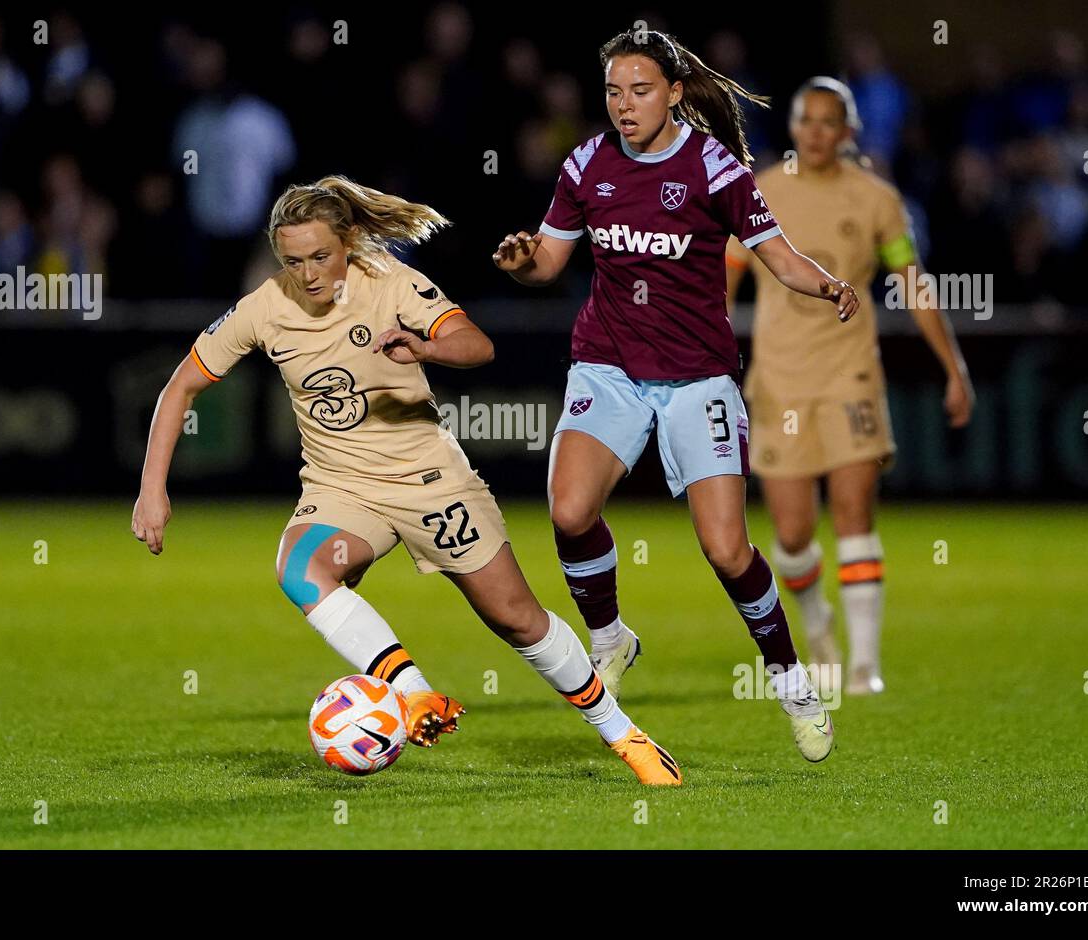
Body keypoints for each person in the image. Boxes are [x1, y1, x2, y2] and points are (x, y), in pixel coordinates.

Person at [132, 176, 682, 785]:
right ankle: (415, 693)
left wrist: (426, 347)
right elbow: (180, 384)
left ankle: (624, 735)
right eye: (293, 261)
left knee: (515, 617)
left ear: (346, 244)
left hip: (429, 480)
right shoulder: (265, 308)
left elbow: (477, 346)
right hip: (342, 487)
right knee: (299, 569)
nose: (309, 274)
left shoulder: (392, 283)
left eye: (320, 257)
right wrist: (152, 488)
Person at [493, 28, 860, 762]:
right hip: (610, 365)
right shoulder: (587, 163)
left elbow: (777, 255)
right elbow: (550, 262)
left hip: (697, 376)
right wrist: (521, 263)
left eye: (639, 91)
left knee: (726, 550)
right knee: (568, 511)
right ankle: (610, 639)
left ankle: (791, 683)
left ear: (674, 93)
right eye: (613, 92)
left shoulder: (713, 168)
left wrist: (827, 283)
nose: (624, 106)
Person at [726, 77, 974, 694]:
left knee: (854, 513)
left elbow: (912, 282)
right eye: (805, 120)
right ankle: (816, 621)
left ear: (848, 132)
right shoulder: (759, 192)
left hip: (850, 375)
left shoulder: (876, 200)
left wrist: (954, 368)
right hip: (778, 381)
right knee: (789, 537)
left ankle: (864, 664)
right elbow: (724, 281)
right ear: (793, 127)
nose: (814, 132)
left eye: (827, 122)